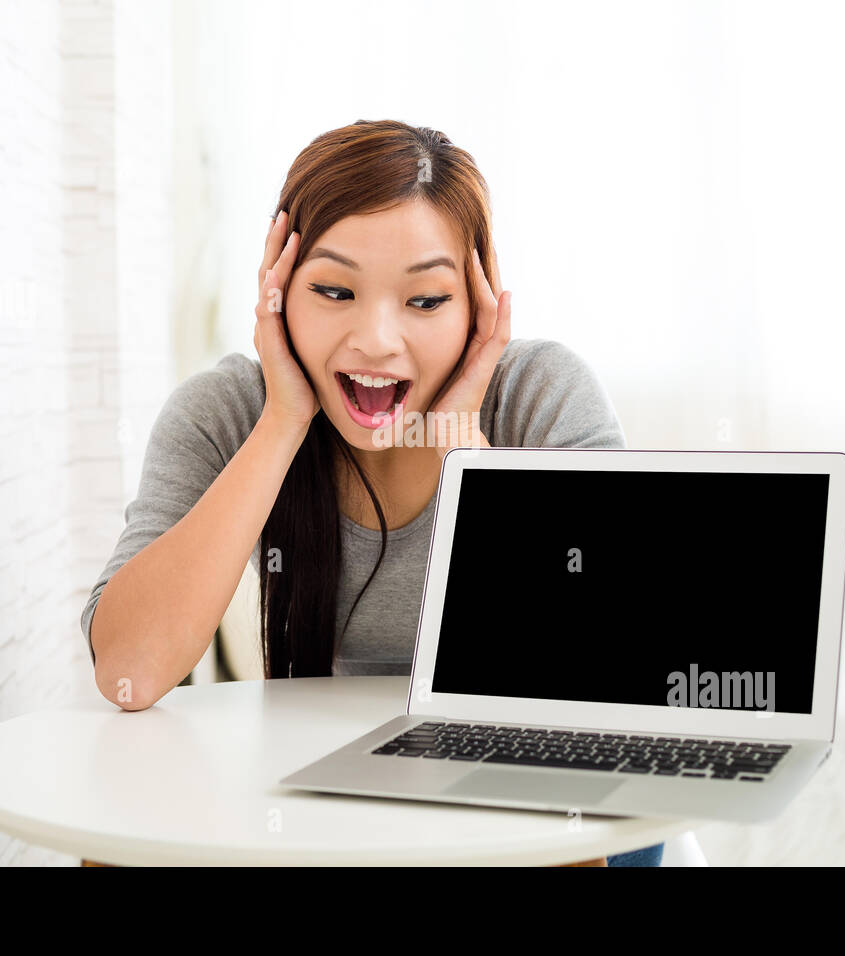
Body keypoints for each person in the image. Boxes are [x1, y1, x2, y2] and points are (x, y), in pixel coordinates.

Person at [81, 119, 663, 867]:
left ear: (477, 303)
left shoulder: (538, 396)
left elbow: (618, 674)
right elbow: (130, 670)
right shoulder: (226, 411)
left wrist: (467, 454)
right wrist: (282, 422)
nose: (377, 339)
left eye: (425, 300)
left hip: (535, 805)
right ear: (279, 289)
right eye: (333, 290)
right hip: (328, 803)